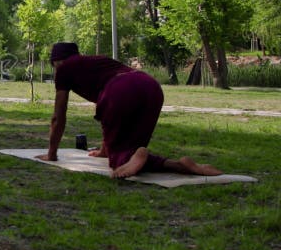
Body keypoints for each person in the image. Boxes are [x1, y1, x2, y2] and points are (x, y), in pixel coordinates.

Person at [36, 42, 222, 179]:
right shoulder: (96, 62)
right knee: (132, 149)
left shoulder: (64, 69)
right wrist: (103, 150)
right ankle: (180, 166)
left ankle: (138, 159)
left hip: (120, 90)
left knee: (122, 161)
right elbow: (108, 116)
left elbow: (58, 116)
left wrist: (52, 153)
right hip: (150, 87)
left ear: (56, 62)